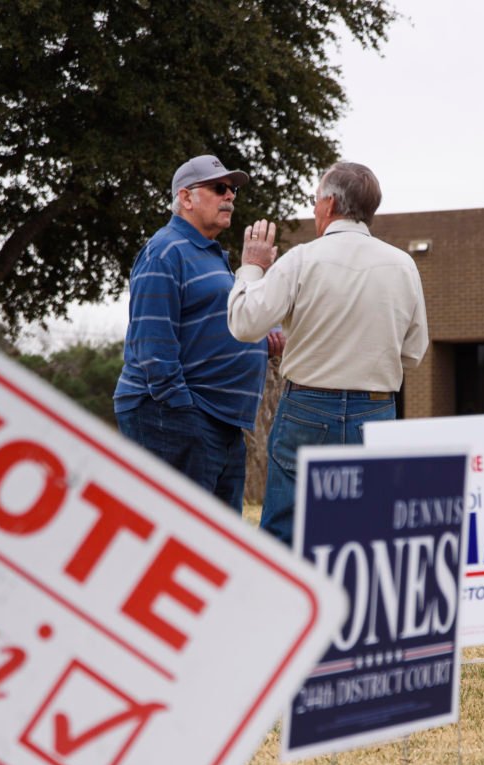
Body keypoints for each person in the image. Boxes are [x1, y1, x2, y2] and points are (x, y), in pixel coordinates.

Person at [228, 161, 429, 546]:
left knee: (286, 530)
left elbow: (244, 323)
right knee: (367, 532)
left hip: (306, 407)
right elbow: (414, 353)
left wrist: (252, 268)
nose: (315, 207)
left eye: (316, 200)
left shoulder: (302, 259)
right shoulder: (403, 265)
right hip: (375, 408)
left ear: (330, 203)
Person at [113, 154, 282, 512]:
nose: (230, 196)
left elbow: (208, 326)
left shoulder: (211, 255)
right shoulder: (164, 251)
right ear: (186, 198)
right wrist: (182, 410)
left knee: (218, 543)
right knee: (185, 535)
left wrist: (257, 342)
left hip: (218, 421)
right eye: (219, 188)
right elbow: (152, 343)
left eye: (233, 190)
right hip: (180, 417)